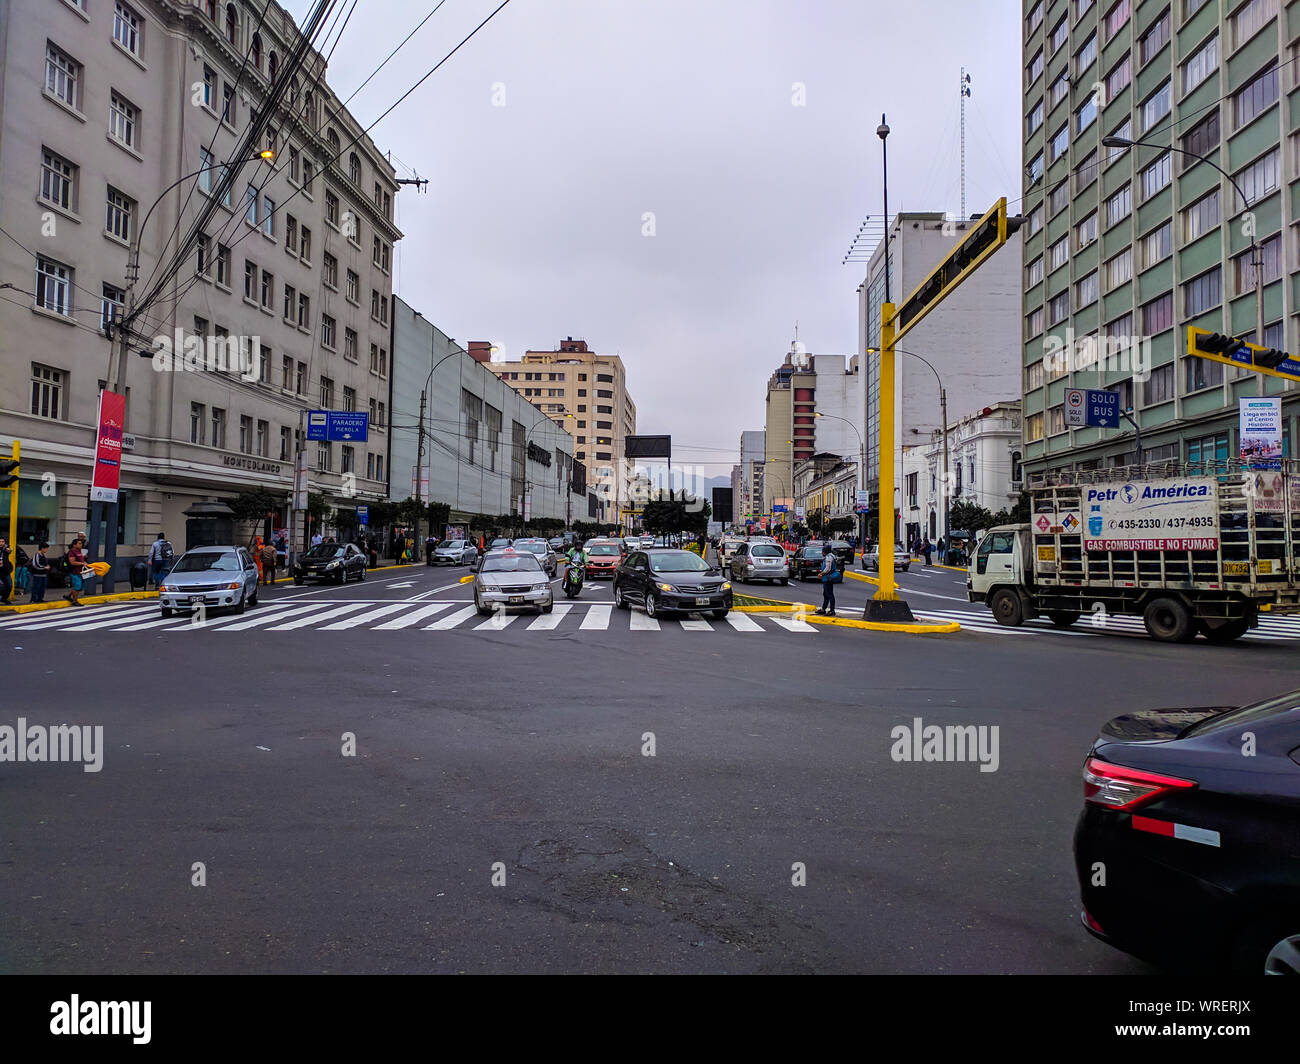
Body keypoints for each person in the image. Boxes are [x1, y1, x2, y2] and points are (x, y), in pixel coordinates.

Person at [63, 534, 88, 606]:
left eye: (81, 543)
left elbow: (83, 559)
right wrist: (82, 563)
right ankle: (74, 601)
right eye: (79, 543)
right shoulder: (72, 552)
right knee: (77, 586)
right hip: (74, 572)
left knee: (80, 586)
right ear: (74, 545)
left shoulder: (80, 551)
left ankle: (68, 596)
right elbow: (72, 562)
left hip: (81, 572)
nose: (81, 545)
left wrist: (85, 563)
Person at [816, 543, 837, 616]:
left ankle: (832, 610)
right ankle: (823, 609)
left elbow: (828, 568)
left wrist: (821, 574)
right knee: (826, 594)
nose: (822, 553)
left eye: (822, 551)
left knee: (829, 594)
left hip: (828, 578)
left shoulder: (829, 557)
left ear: (825, 551)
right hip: (826, 578)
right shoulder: (829, 556)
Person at [0, 537, 12, 603]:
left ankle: (4, 598)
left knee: (9, 585)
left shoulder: (5, 548)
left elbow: (9, 550)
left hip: (5, 571)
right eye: (0, 541)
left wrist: (9, 549)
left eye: (2, 541)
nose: (1, 543)